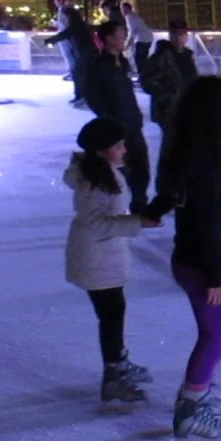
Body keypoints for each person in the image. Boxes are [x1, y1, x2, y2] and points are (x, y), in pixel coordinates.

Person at [147, 76, 221, 441]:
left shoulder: (193, 148)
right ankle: (190, 406)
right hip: (204, 261)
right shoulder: (204, 159)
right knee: (213, 332)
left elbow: (171, 193)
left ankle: (201, 387)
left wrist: (153, 211)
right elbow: (208, 218)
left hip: (210, 256)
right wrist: (215, 274)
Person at [63, 118, 160, 403]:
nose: (124, 149)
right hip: (96, 258)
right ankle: (114, 374)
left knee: (113, 313)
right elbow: (97, 222)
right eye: (118, 145)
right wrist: (137, 222)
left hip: (101, 256)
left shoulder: (101, 173)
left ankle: (118, 362)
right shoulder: (95, 180)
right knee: (111, 314)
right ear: (101, 150)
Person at [84, 21, 150, 213]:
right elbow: (93, 97)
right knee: (122, 171)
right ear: (109, 39)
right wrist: (109, 121)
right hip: (116, 129)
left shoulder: (121, 62)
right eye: (121, 35)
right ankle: (120, 208)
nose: (124, 39)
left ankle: (139, 204)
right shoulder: (98, 67)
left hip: (133, 124)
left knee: (141, 167)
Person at [140, 21, 199, 133]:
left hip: (187, 106)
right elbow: (145, 80)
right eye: (175, 34)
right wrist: (165, 95)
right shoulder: (161, 56)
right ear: (170, 36)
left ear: (186, 36)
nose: (178, 38)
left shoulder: (187, 55)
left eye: (181, 34)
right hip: (168, 109)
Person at [45, 2, 97, 107]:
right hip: (87, 53)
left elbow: (64, 34)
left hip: (83, 54)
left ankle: (81, 96)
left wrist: (50, 40)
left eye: (65, 17)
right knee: (83, 75)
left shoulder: (75, 26)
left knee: (78, 74)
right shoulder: (81, 25)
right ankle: (86, 96)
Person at [120, 2, 155, 78]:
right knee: (142, 58)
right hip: (147, 38)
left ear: (127, 9)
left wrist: (126, 45)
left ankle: (143, 76)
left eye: (123, 9)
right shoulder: (134, 16)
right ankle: (145, 75)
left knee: (139, 59)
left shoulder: (130, 17)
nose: (121, 11)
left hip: (142, 40)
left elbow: (132, 32)